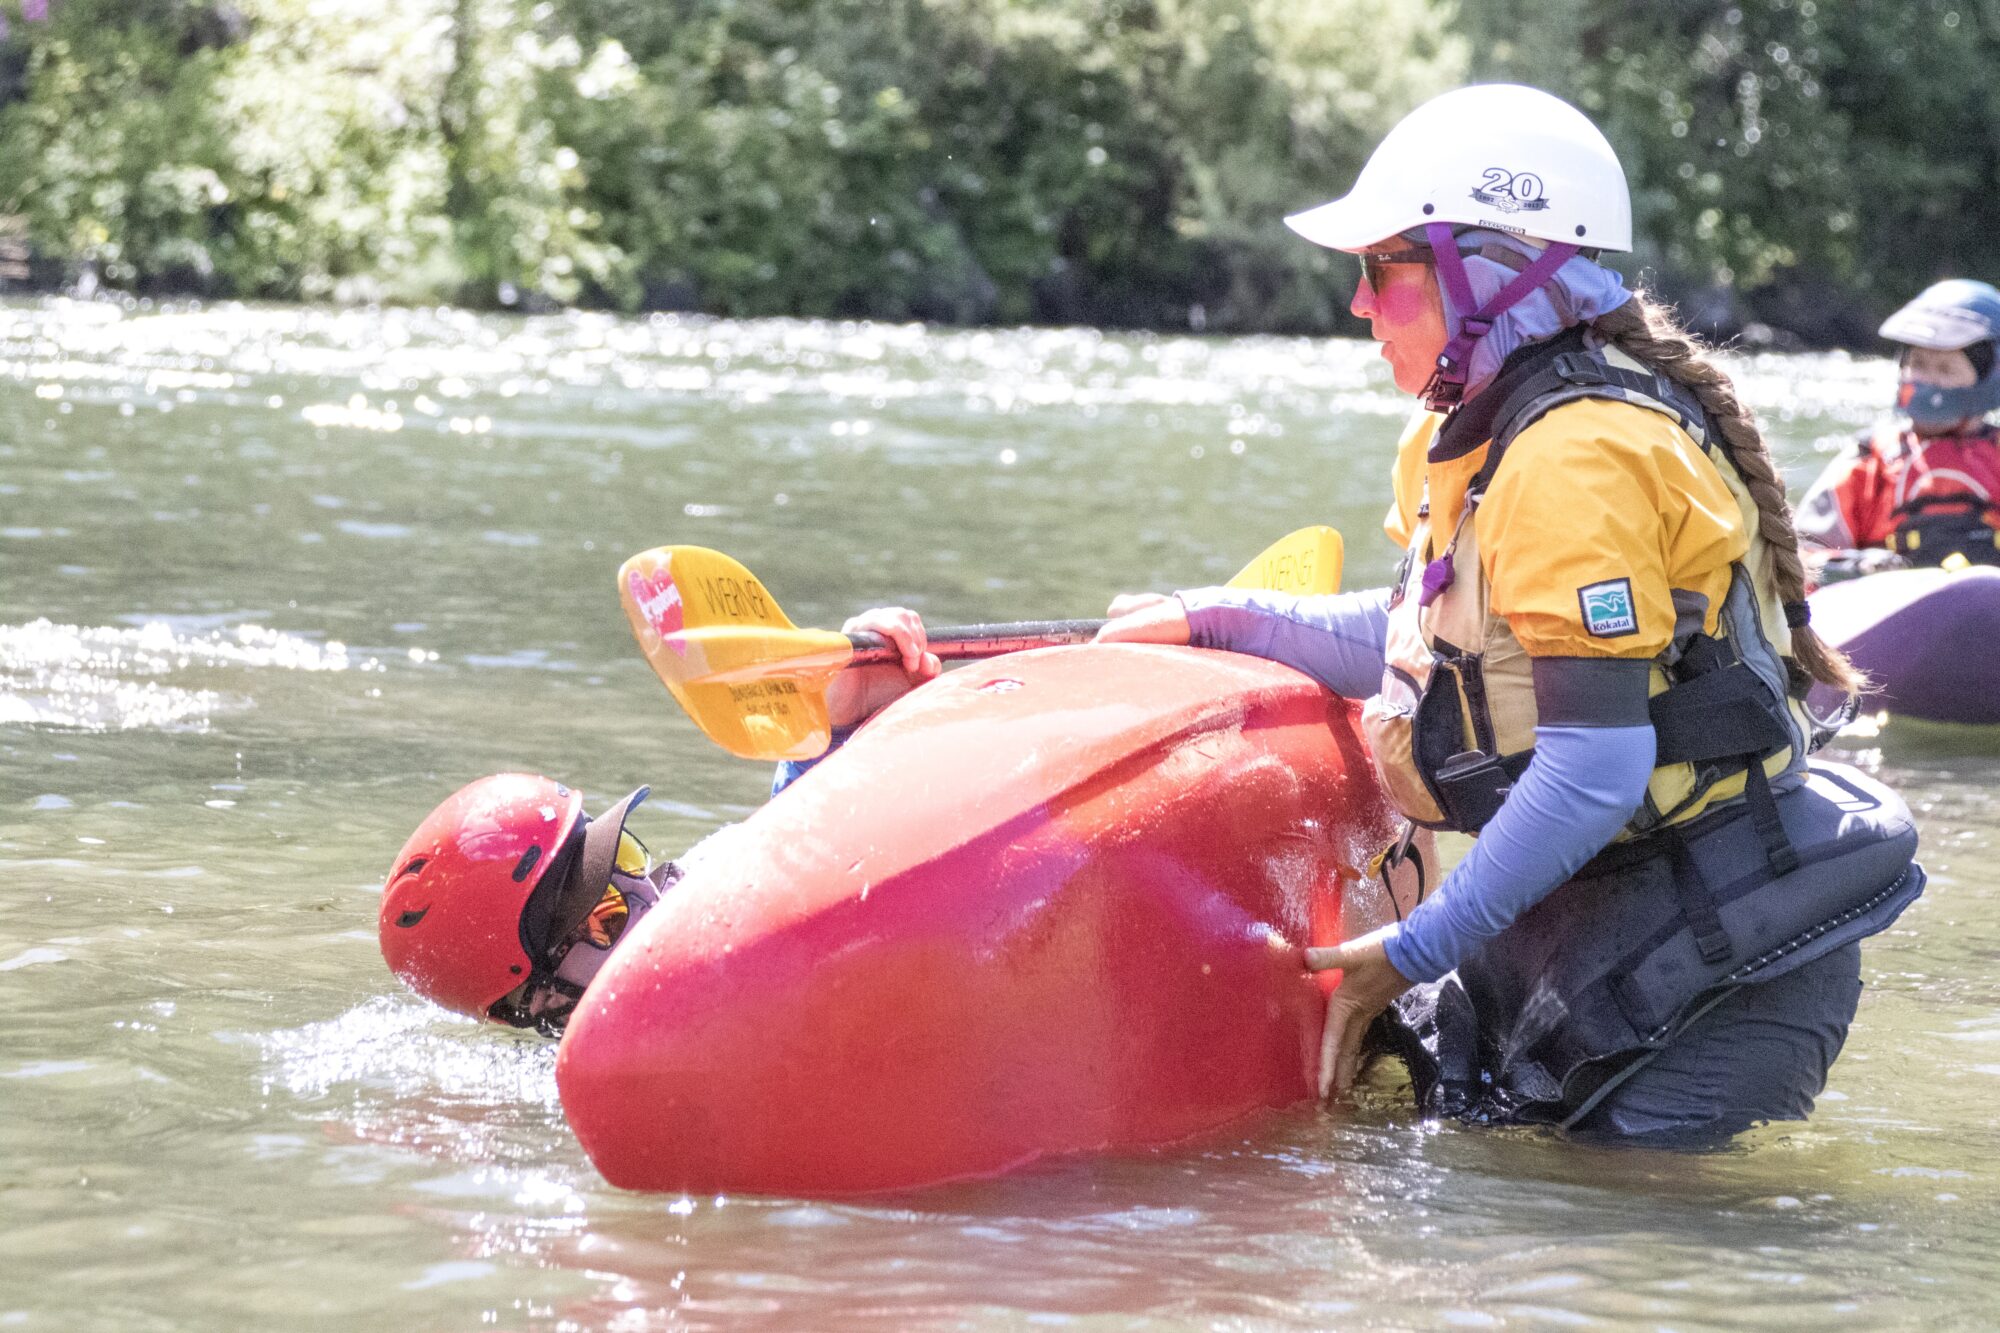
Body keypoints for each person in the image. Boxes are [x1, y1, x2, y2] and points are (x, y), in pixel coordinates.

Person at [1076, 83, 1926, 1144]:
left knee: (1594, 1236)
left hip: (1715, 953)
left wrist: (1410, 948)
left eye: (1380, 271)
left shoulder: (1576, 456)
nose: (1355, 306)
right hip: (1583, 909)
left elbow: (1593, 765)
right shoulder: (1481, 434)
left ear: (1482, 275)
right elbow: (1427, 653)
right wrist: (1206, 615)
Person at [378, 608, 939, 1034]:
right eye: (606, 915)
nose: (647, 892)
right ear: (544, 1003)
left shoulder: (693, 886)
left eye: (619, 855)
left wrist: (839, 718)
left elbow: (787, 835)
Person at [1796, 279, 2000, 580]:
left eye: (1945, 369)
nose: (1925, 380)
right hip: (1887, 616)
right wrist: (1851, 567)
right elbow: (1800, 556)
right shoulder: (1868, 463)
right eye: (1917, 363)